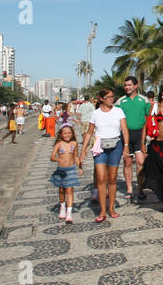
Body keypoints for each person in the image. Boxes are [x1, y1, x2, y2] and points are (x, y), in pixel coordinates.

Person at [82, 88, 130, 222]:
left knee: (113, 178)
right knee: (101, 178)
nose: (111, 99)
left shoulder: (118, 111)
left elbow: (124, 129)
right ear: (101, 99)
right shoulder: (95, 113)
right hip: (100, 147)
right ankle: (102, 211)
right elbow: (90, 132)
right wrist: (83, 149)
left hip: (116, 146)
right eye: (108, 97)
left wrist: (126, 146)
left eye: (112, 97)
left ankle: (111, 208)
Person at [117, 76, 151, 203]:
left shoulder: (144, 100)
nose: (127, 87)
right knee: (127, 163)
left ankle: (140, 189)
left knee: (141, 163)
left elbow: (150, 118)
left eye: (130, 85)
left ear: (136, 86)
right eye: (125, 85)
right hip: (125, 135)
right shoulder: (120, 102)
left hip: (140, 135)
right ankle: (130, 189)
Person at [49, 124, 84, 223]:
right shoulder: (59, 144)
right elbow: (52, 157)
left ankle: (69, 213)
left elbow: (76, 157)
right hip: (61, 171)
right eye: (65, 133)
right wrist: (57, 159)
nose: (67, 135)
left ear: (72, 134)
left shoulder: (74, 144)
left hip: (71, 170)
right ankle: (62, 206)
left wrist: (80, 166)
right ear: (61, 134)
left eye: (69, 133)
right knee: (61, 190)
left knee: (69, 190)